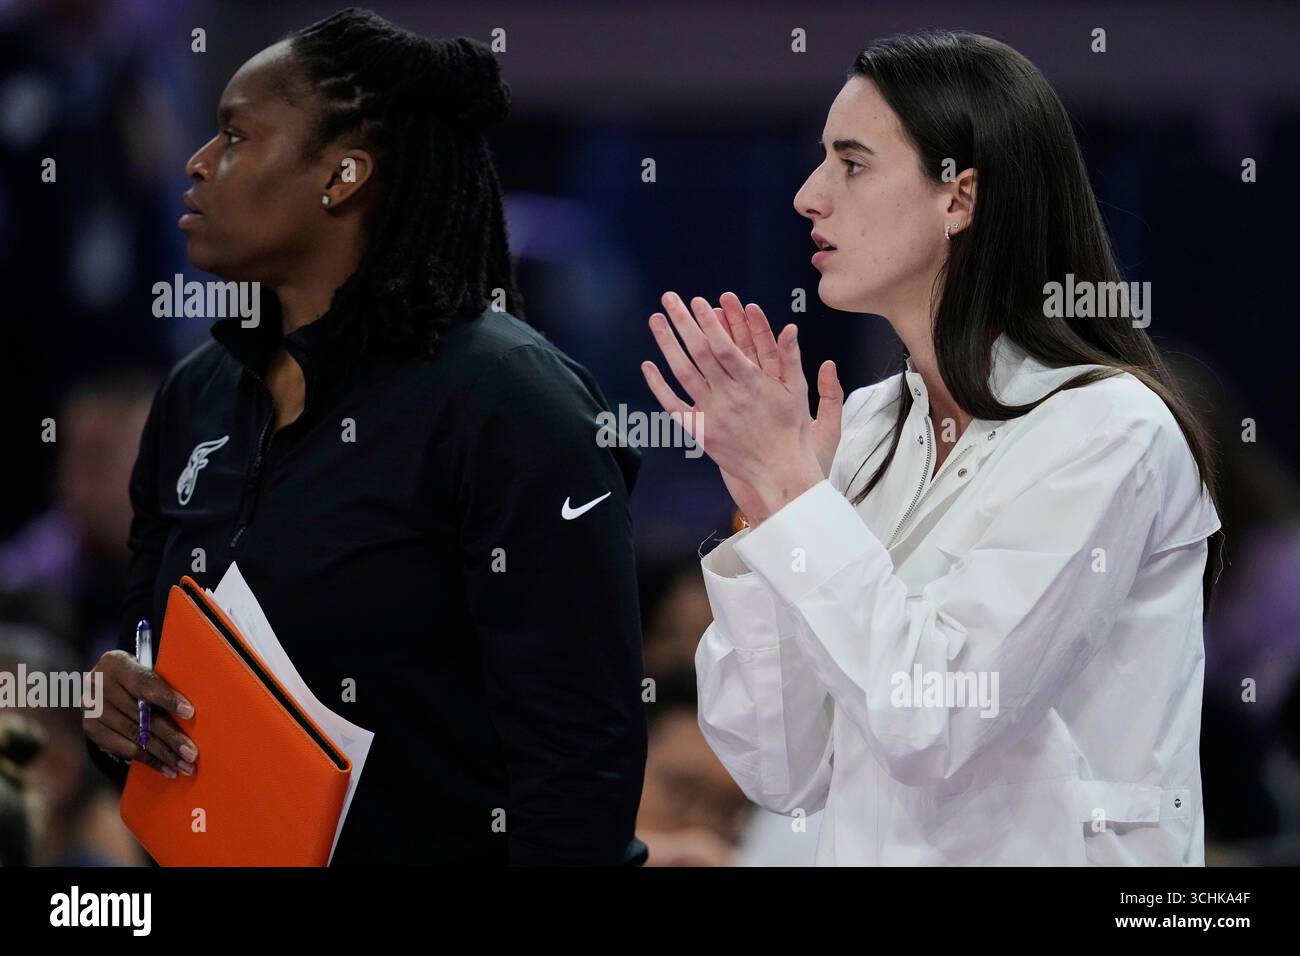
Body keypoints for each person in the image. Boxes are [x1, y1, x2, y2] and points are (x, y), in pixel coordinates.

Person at [640, 30, 1222, 865]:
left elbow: (935, 720)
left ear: (959, 197)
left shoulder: (1110, 431)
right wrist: (762, 506)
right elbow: (780, 768)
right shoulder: (870, 424)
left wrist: (796, 496)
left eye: (852, 163)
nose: (809, 195)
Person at [82, 8, 648, 866]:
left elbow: (580, 764)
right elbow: (144, 649)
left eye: (236, 136)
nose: (197, 164)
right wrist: (117, 707)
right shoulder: (195, 392)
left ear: (343, 174)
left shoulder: (510, 398)